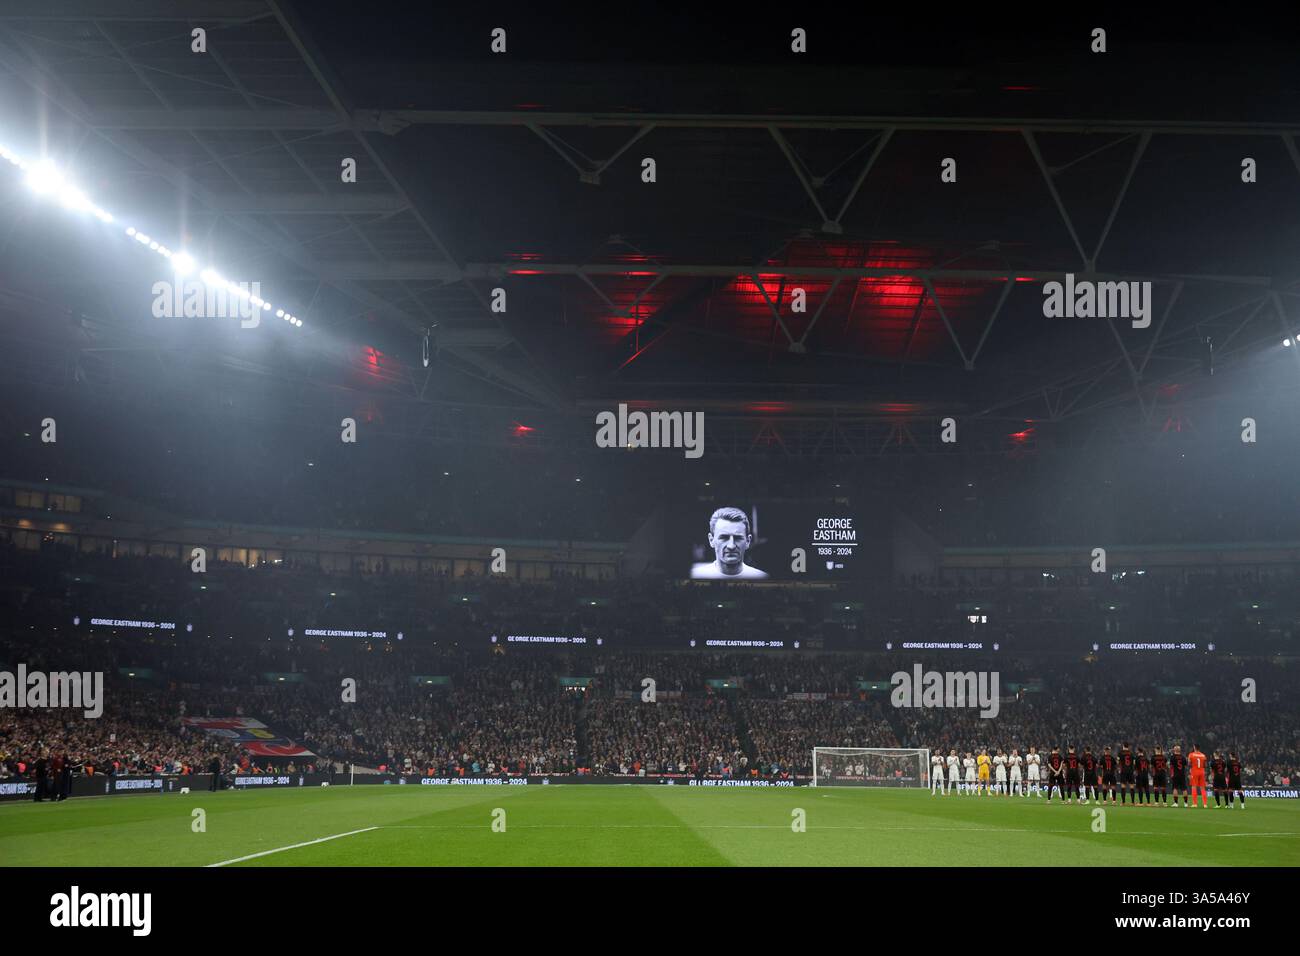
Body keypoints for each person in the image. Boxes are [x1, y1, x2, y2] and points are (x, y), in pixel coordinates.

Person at [689, 507, 768, 580]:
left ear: (748, 541)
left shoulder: (761, 578)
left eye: (738, 538)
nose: (731, 546)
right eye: (724, 538)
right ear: (711, 540)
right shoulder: (696, 576)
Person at [1188, 743, 1209, 808]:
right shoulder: (1203, 755)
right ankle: (1205, 804)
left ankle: (1195, 804)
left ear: (1194, 747)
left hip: (1194, 771)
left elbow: (1189, 763)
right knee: (1202, 788)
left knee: (1194, 787)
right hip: (1202, 772)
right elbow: (1205, 765)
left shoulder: (1191, 754)